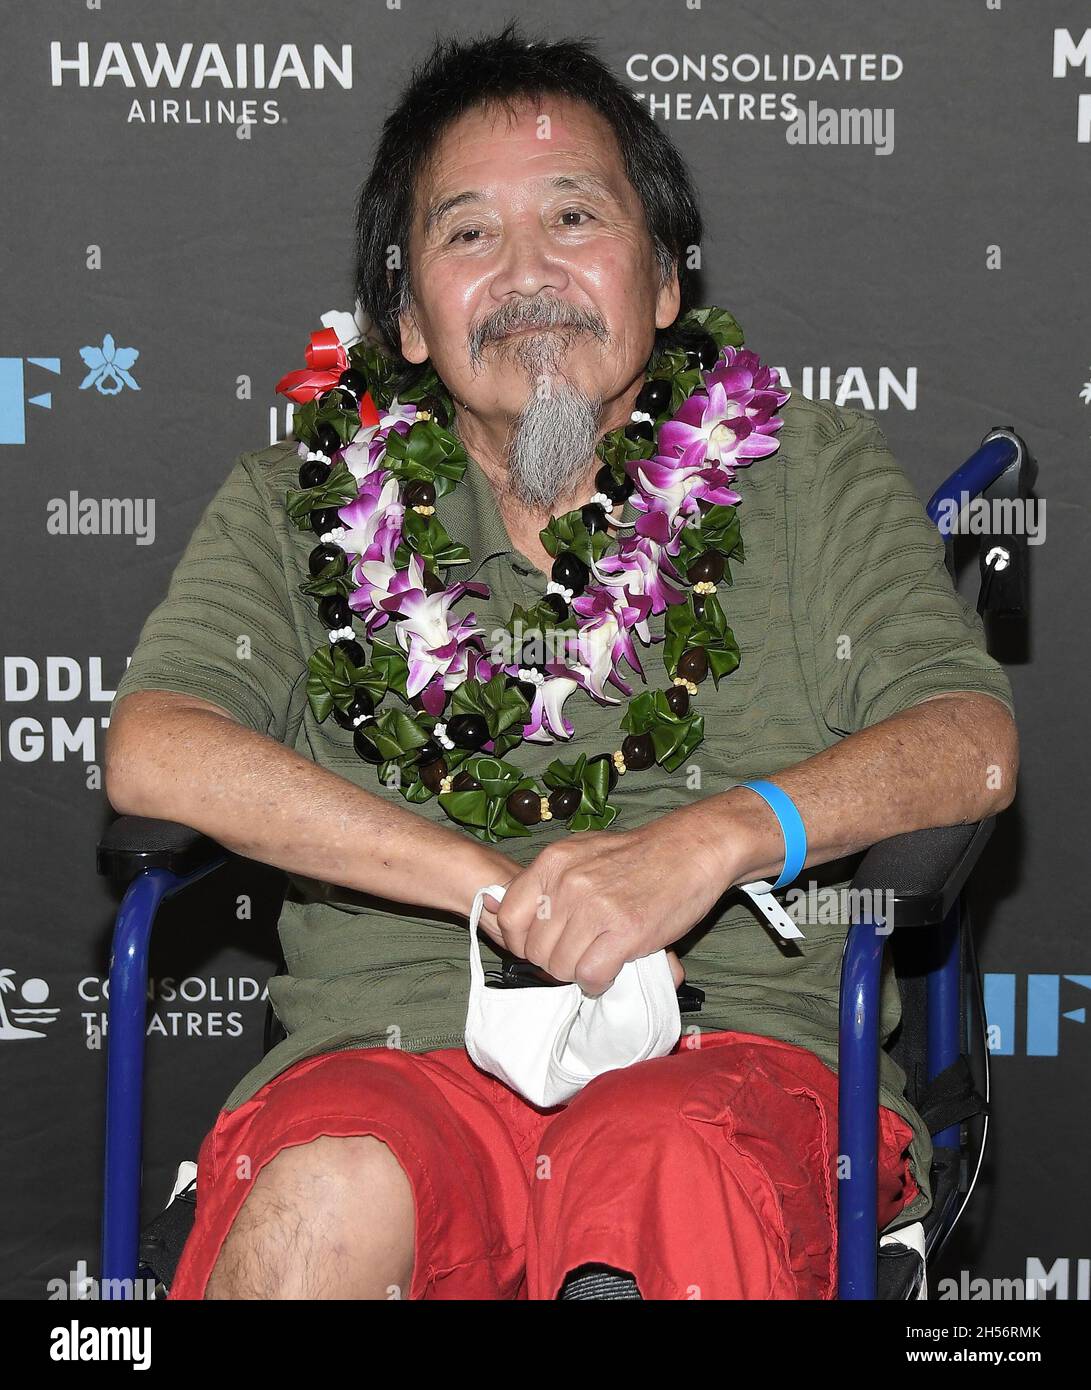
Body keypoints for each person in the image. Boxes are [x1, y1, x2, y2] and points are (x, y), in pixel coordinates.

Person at [104, 23, 1017, 1301]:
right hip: (391, 1056)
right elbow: (154, 744)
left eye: (575, 217)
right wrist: (488, 887)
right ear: (409, 318)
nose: (526, 273)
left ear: (659, 283)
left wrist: (700, 846)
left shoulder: (807, 471)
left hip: (728, 1064)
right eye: (466, 233)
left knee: (654, 1171)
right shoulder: (295, 501)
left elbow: (967, 740)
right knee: (321, 1194)